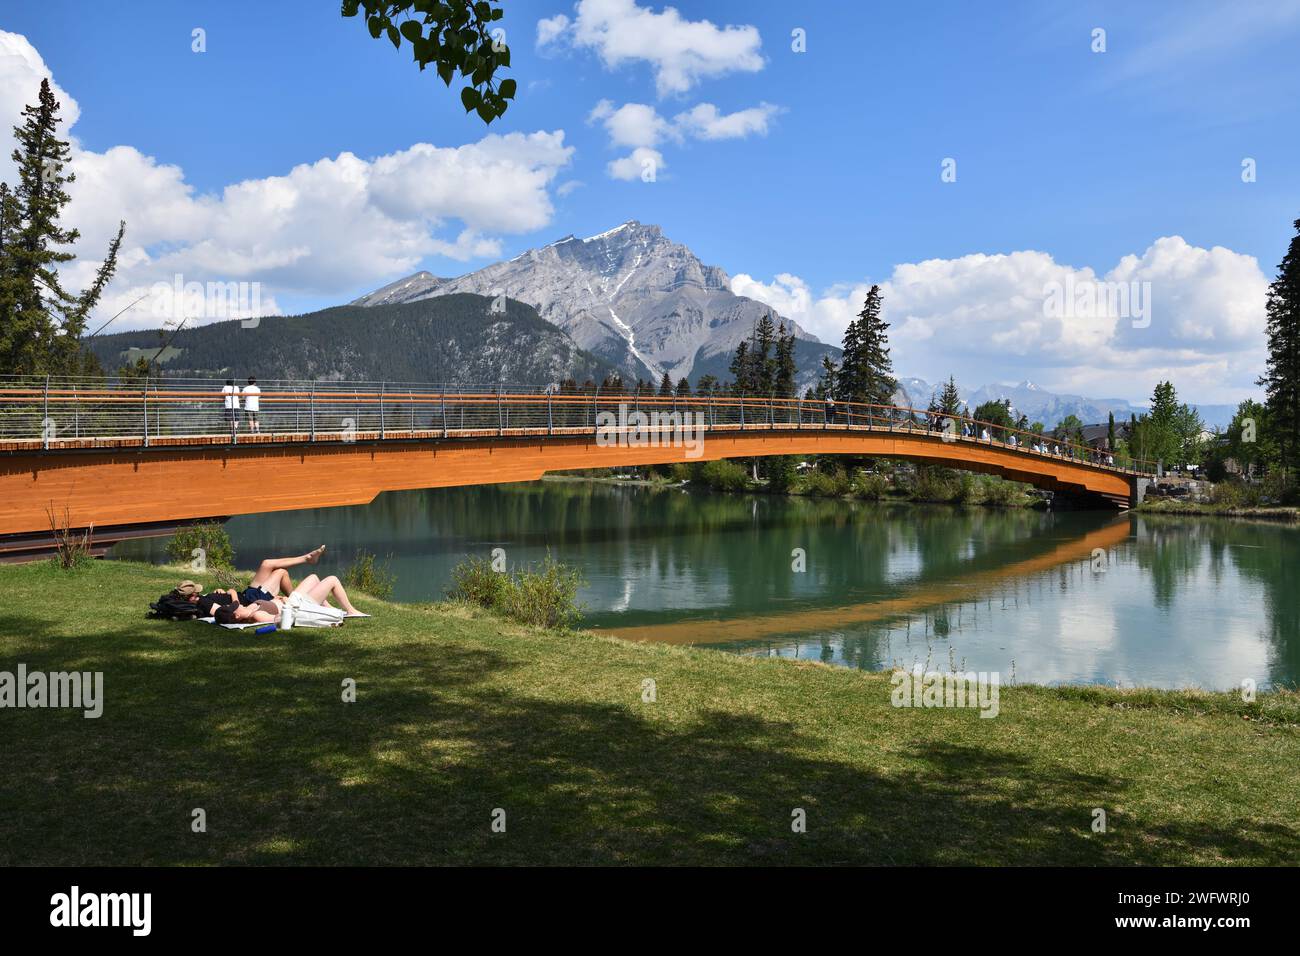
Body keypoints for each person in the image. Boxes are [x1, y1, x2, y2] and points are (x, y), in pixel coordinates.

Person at [215, 572, 367, 625]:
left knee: (314, 578)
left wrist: (275, 599)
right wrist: (285, 604)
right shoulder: (256, 615)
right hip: (296, 605)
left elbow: (234, 596)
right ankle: (351, 610)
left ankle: (330, 609)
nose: (237, 605)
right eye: (235, 608)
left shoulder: (245, 609)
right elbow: (279, 619)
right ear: (236, 615)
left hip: (289, 600)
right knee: (332, 580)